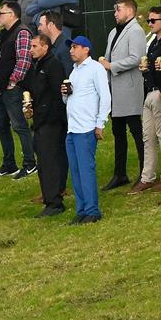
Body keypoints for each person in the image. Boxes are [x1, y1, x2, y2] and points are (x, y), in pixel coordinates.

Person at [62, 37, 110, 224]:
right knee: (75, 171)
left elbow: (105, 96)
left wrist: (100, 123)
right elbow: (70, 100)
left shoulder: (95, 69)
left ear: (86, 49)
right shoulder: (74, 72)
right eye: (71, 47)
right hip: (72, 128)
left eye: (75, 47)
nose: (71, 50)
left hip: (86, 127)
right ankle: (81, 209)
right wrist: (65, 94)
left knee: (86, 169)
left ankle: (92, 209)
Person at [99, 0, 145, 191]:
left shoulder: (136, 31)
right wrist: (104, 61)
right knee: (118, 132)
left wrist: (111, 66)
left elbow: (136, 58)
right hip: (115, 90)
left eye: (118, 9)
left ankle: (145, 171)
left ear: (130, 10)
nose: (115, 13)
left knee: (136, 131)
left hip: (130, 88)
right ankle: (120, 174)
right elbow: (110, 56)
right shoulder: (113, 32)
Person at [0, 1, 36, 179]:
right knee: (0, 125)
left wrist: (12, 81)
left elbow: (24, 60)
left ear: (12, 15)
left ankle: (30, 163)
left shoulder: (21, 32)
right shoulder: (8, 34)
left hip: (12, 89)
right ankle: (9, 164)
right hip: (1, 89)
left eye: (2, 13)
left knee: (20, 126)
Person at [23, 33, 68, 217]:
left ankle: (55, 202)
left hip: (51, 122)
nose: (30, 50)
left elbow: (58, 96)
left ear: (45, 47)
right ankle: (49, 197)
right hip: (40, 121)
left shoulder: (53, 65)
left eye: (34, 46)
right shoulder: (37, 66)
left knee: (50, 162)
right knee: (43, 162)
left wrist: (47, 115)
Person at [133, 7, 161, 193]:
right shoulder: (153, 43)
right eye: (149, 20)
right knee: (148, 137)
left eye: (153, 20)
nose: (150, 23)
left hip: (160, 93)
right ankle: (147, 176)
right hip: (149, 92)